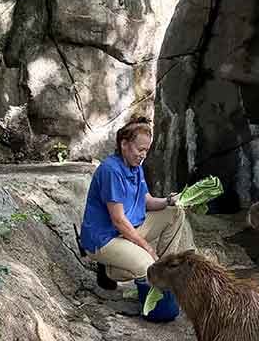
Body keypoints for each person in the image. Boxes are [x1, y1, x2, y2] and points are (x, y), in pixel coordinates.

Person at [79, 116, 193, 290]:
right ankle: (110, 271)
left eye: (146, 151)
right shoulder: (111, 171)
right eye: (140, 149)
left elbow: (146, 200)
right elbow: (118, 220)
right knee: (147, 266)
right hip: (105, 239)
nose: (143, 155)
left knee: (175, 212)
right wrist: (148, 248)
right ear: (124, 144)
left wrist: (170, 200)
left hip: (128, 229)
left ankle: (165, 270)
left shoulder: (136, 166)